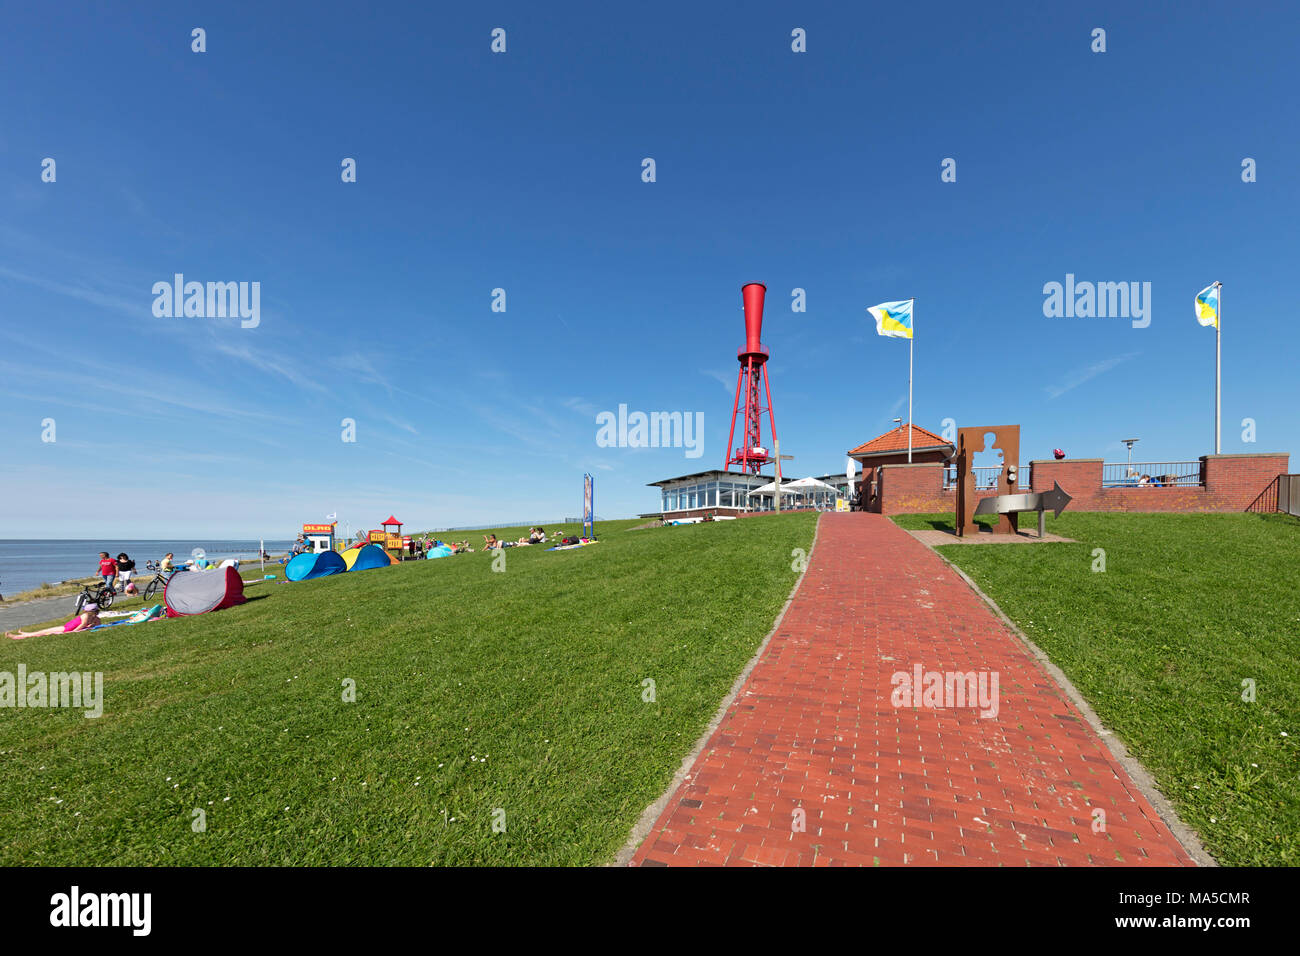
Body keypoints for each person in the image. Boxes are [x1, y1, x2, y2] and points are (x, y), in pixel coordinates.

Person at [7, 604, 100, 640]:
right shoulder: (96, 618)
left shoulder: (86, 615)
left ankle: (16, 637)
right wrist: (89, 627)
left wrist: (74, 631)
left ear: (87, 611)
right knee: (41, 632)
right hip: (67, 627)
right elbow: (97, 626)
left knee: (41, 633)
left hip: (67, 628)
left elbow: (83, 624)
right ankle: (24, 633)